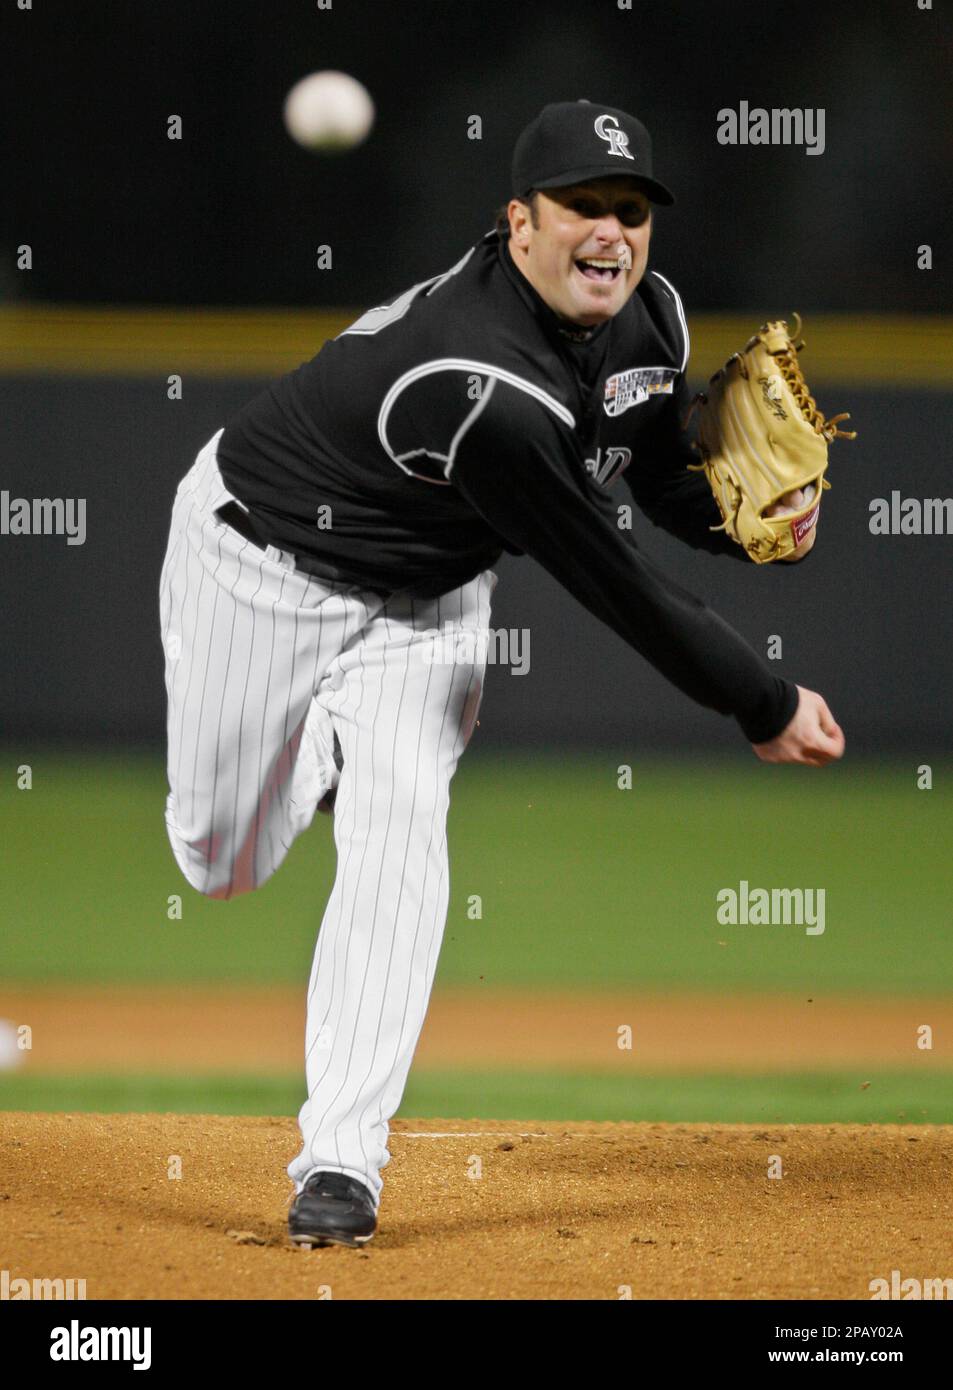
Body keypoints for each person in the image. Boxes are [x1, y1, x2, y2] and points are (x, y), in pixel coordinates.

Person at [158, 99, 844, 1249]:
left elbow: (650, 471)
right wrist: (758, 697)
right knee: (218, 859)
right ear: (516, 224)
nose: (610, 233)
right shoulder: (476, 379)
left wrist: (746, 517)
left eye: (629, 211)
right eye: (581, 206)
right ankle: (311, 748)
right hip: (259, 564)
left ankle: (341, 1161)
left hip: (426, 604)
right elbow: (608, 575)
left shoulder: (647, 319)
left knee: (405, 823)